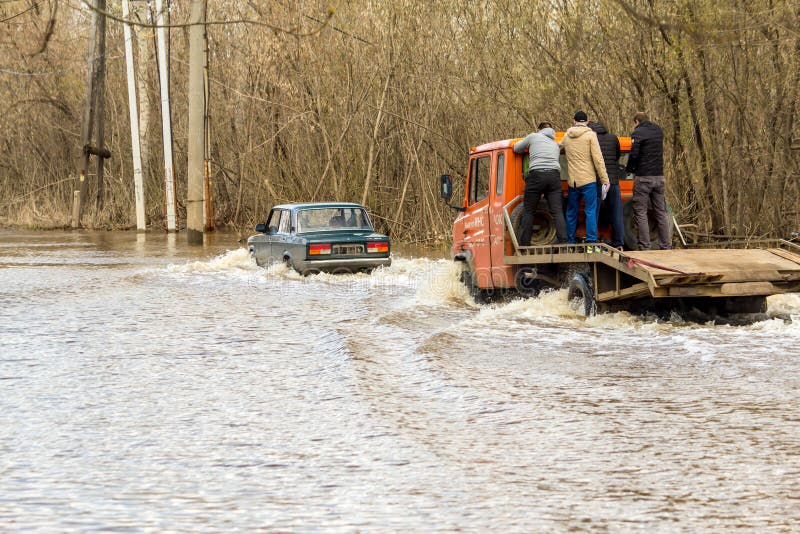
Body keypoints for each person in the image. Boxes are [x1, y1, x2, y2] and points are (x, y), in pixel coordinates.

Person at [512, 121, 568, 246]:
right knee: (557, 211)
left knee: (529, 210)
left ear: (539, 129)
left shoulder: (533, 137)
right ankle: (564, 243)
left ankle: (525, 244)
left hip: (537, 175)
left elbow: (516, 148)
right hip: (554, 176)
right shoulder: (555, 144)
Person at [559, 110, 609, 245]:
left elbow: (558, 148)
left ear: (574, 121)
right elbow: (598, 159)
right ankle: (591, 240)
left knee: (571, 211)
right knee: (590, 211)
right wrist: (605, 180)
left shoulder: (567, 136)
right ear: (587, 122)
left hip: (573, 181)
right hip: (588, 181)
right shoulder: (591, 136)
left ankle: (570, 240)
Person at [626, 112, 671, 250]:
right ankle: (666, 245)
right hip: (659, 177)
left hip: (644, 177)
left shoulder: (638, 132)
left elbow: (634, 154)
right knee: (661, 211)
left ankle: (645, 246)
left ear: (637, 121)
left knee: (640, 211)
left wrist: (630, 168)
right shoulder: (658, 130)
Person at [588, 120, 625, 249]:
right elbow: (617, 156)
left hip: (597, 182)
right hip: (613, 181)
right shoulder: (613, 138)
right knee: (617, 212)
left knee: (594, 212)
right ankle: (619, 242)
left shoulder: (591, 138)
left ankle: (593, 240)